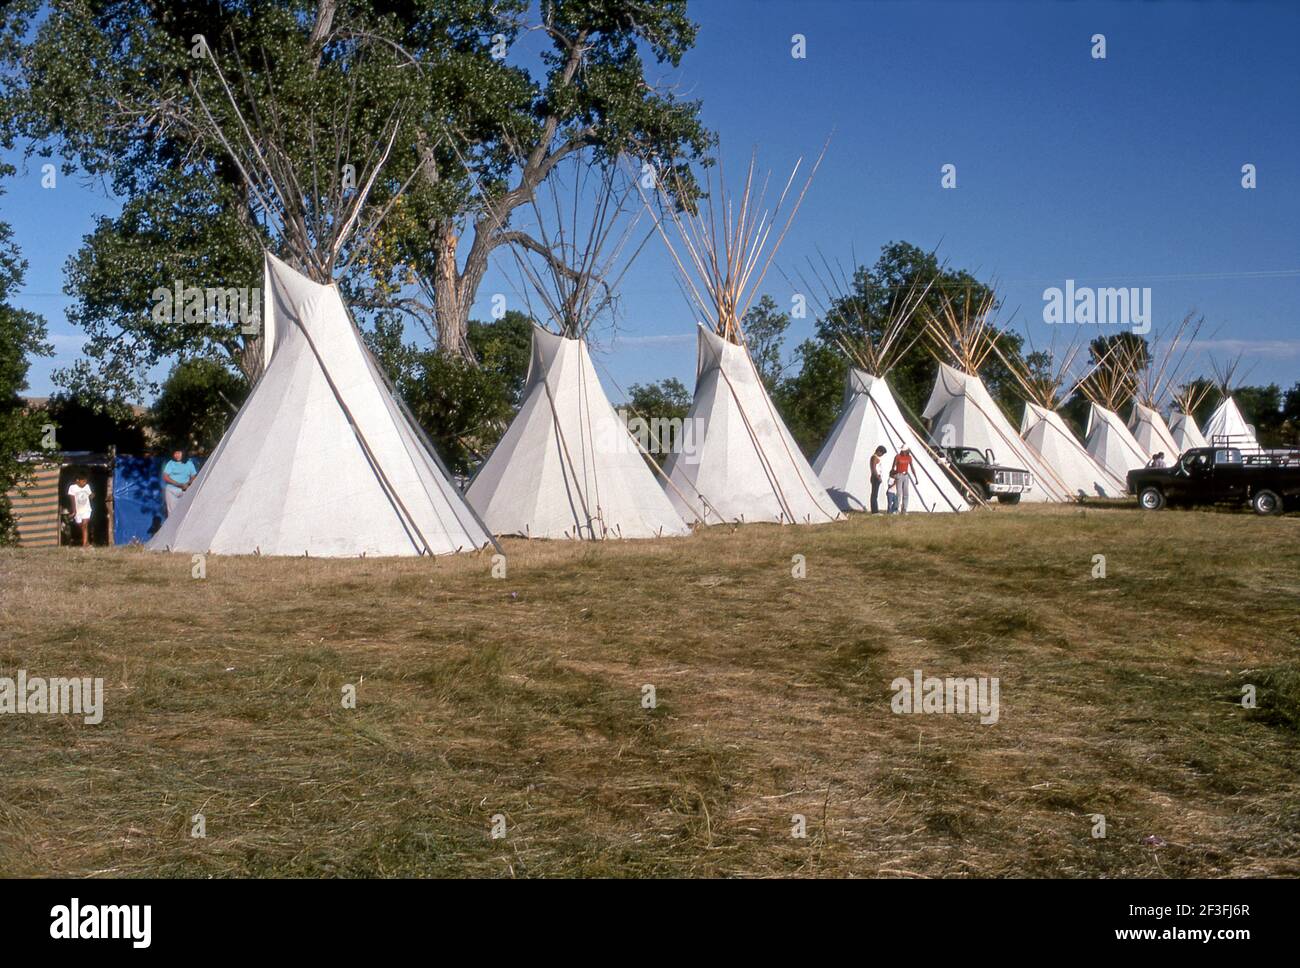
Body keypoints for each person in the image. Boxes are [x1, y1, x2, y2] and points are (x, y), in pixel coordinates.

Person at [162, 449, 199, 517]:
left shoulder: (189, 463)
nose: (176, 455)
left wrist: (188, 484)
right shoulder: (171, 463)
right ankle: (172, 526)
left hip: (186, 490)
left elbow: (194, 476)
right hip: (172, 490)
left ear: (183, 453)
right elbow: (165, 477)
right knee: (172, 513)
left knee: (186, 512)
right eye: (175, 453)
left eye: (178, 453)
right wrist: (178, 484)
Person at [67, 474, 93, 547]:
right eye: (83, 481)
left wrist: (92, 495)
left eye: (86, 481)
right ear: (77, 480)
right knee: (81, 526)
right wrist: (74, 511)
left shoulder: (87, 486)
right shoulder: (72, 488)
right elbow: (72, 500)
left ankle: (84, 544)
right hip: (78, 511)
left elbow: (90, 495)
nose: (85, 483)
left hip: (86, 509)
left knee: (84, 525)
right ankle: (86, 542)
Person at [890, 446, 917, 514]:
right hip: (899, 475)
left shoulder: (909, 457)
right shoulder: (898, 456)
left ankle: (904, 509)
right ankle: (896, 509)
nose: (905, 452)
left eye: (906, 451)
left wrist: (915, 477)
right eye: (904, 451)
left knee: (906, 493)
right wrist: (893, 475)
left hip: (906, 475)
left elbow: (912, 467)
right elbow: (893, 467)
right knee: (899, 493)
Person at [868, 445, 887, 513]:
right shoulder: (874, 457)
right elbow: (873, 468)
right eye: (882, 453)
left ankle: (875, 510)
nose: (882, 455)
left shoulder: (875, 457)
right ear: (879, 451)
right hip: (875, 477)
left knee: (875, 494)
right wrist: (878, 477)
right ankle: (874, 511)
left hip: (876, 477)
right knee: (874, 495)